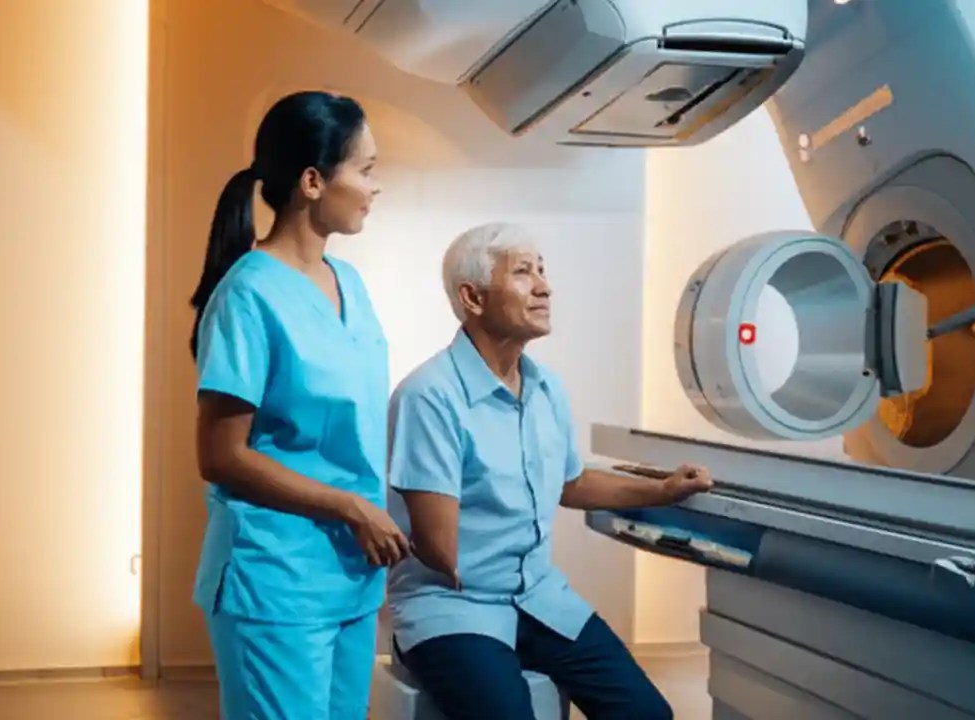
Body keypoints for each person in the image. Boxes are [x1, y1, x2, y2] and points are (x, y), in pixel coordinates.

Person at [385, 222, 714, 720]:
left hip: (539, 599)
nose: (544, 285)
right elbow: (438, 548)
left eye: (542, 270)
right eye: (523, 272)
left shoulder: (544, 388)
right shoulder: (430, 396)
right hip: (453, 609)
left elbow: (571, 483)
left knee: (648, 714)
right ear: (472, 297)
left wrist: (663, 490)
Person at [189, 90, 409, 720]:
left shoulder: (352, 285)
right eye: (364, 170)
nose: (374, 187)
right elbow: (221, 455)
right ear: (313, 181)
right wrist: (347, 506)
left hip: (351, 575)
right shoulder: (248, 296)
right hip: (276, 578)